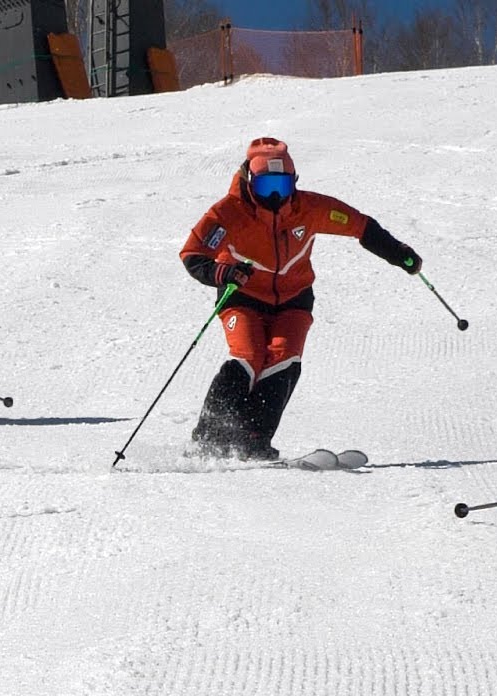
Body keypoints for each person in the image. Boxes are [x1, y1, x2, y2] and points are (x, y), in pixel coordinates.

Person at [179, 137, 423, 460]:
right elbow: (193, 254)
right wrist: (222, 274)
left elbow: (360, 226)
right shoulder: (230, 212)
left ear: (294, 182)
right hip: (244, 296)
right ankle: (209, 437)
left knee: (285, 357)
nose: (276, 196)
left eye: (282, 185)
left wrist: (398, 253)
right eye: (266, 187)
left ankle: (254, 438)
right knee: (248, 356)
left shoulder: (309, 209)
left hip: (293, 299)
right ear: (251, 183)